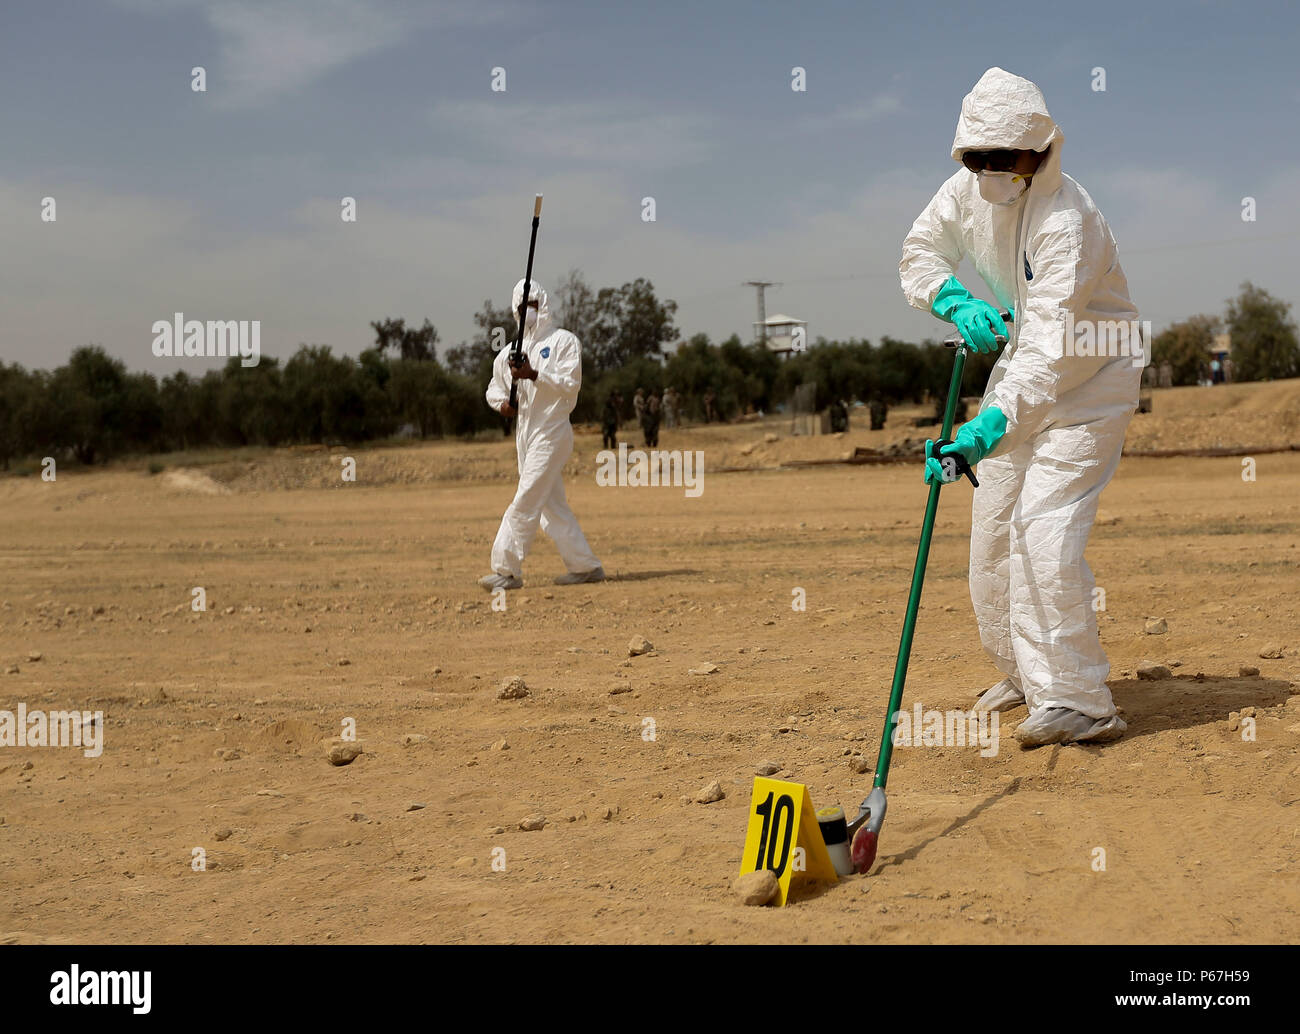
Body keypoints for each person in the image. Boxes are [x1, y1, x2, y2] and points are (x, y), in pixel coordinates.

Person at [900, 68, 1139, 748]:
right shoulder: (963, 191)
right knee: (994, 535)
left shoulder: (1069, 222)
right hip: (1024, 364)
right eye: (977, 159)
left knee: (1043, 531)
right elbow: (919, 252)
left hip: (1091, 374)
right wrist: (951, 297)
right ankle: (1029, 674)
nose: (990, 173)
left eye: (1003, 159)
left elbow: (1049, 350)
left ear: (1040, 152)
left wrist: (984, 431)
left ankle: (1080, 700)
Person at [480, 279, 605, 590]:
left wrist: (534, 374)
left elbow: (571, 384)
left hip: (552, 432)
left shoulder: (564, 342)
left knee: (525, 498)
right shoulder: (508, 353)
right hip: (525, 436)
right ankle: (585, 565)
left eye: (532, 306)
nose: (528, 312)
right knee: (551, 507)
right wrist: (504, 405)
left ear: (543, 306)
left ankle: (506, 570)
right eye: (522, 308)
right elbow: (493, 389)